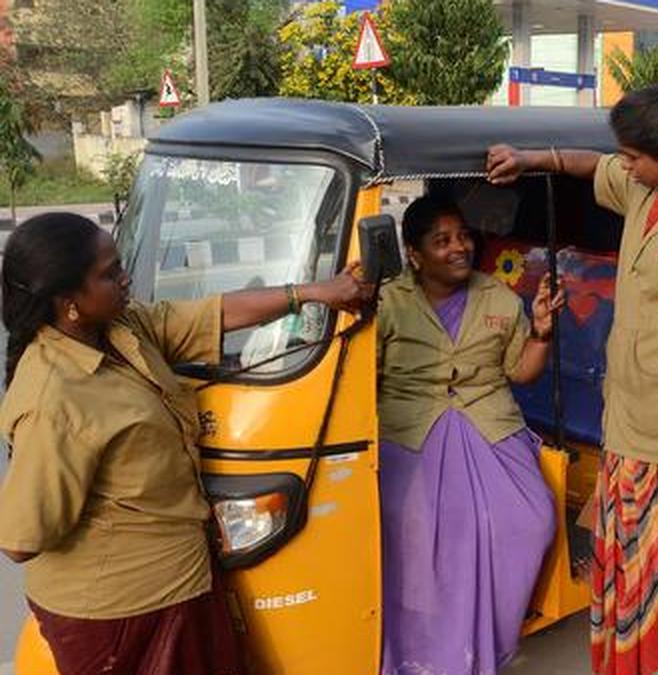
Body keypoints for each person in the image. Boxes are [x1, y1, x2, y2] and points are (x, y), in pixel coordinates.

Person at [0, 212, 372, 675]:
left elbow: (211, 316)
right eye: (109, 273)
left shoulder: (122, 331)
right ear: (68, 302)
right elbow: (21, 539)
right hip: (121, 612)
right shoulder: (55, 397)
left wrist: (313, 293)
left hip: (178, 583)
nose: (125, 277)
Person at [486, 85, 658, 675]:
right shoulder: (646, 188)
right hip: (629, 428)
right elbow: (592, 166)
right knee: (623, 583)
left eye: (634, 158)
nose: (625, 168)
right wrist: (531, 159)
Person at [376, 195, 564, 675]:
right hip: (410, 429)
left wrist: (542, 332)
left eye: (462, 236)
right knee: (408, 528)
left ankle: (489, 640)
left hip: (490, 423)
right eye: (442, 241)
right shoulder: (386, 302)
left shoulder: (500, 298)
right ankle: (420, 654)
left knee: (533, 520)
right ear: (414, 255)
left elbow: (521, 374)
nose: (459, 247)